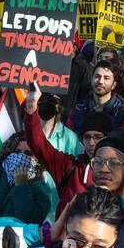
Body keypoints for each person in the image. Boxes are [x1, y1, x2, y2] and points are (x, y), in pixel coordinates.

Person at [24, 88, 109, 217]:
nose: (91, 142)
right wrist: (31, 109)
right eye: (87, 137)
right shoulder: (69, 166)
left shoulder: (118, 169)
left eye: (97, 137)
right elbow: (38, 144)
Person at [0, 133, 53, 223]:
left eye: (28, 154)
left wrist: (21, 186)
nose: (21, 157)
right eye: (17, 151)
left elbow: (32, 221)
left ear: (38, 161)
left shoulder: (42, 190)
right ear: (8, 152)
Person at [68, 59, 124, 133]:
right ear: (91, 79)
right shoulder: (76, 112)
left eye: (106, 78)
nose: (100, 81)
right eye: (97, 76)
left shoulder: (123, 115)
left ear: (113, 85)